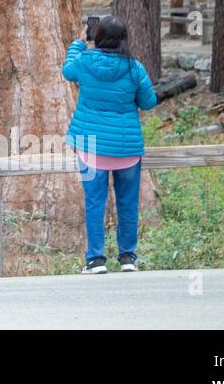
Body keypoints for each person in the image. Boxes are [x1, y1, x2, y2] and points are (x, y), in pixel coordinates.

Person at [62, 16, 157, 274]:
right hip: (126, 150)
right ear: (124, 39)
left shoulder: (83, 62)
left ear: (98, 37)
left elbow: (67, 70)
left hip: (91, 148)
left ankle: (95, 260)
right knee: (127, 202)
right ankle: (127, 258)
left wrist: (78, 43)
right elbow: (149, 102)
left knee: (95, 202)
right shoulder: (134, 68)